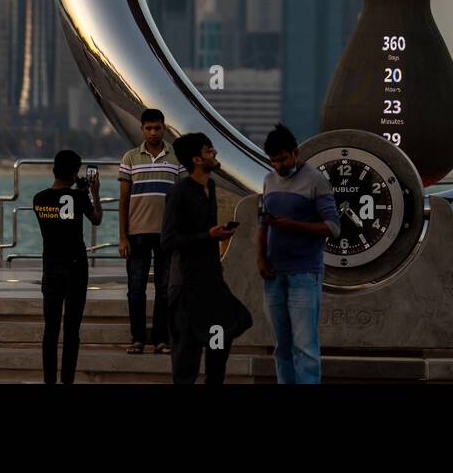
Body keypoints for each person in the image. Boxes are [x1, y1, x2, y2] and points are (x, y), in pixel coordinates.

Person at [161, 132, 252, 384]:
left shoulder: (211, 187)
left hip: (212, 287)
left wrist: (216, 235)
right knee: (186, 362)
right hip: (186, 289)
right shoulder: (179, 193)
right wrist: (207, 235)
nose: (215, 153)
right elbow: (168, 241)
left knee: (219, 349)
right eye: (209, 150)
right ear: (197, 159)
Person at [257, 123, 339, 384]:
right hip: (273, 273)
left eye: (282, 159)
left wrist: (294, 226)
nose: (278, 166)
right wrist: (260, 257)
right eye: (273, 162)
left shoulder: (316, 180)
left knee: (305, 347)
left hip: (304, 273)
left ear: (295, 153)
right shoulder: (268, 181)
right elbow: (262, 223)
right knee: (282, 346)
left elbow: (333, 227)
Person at [32, 149, 102, 384]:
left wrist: (76, 191)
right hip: (76, 267)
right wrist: (93, 192)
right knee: (72, 329)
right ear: (74, 173)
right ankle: (67, 380)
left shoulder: (38, 199)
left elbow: (60, 210)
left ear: (54, 170)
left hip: (51, 267)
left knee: (50, 329)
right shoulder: (79, 197)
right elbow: (97, 219)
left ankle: (49, 380)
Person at [117, 107, 182, 354]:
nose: (153, 132)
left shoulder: (176, 159)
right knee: (136, 289)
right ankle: (137, 339)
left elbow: (183, 200)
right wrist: (123, 236)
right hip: (137, 234)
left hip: (167, 235)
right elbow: (123, 201)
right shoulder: (130, 158)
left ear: (164, 128)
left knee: (164, 290)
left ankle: (161, 339)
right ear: (141, 129)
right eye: (149, 128)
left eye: (157, 128)